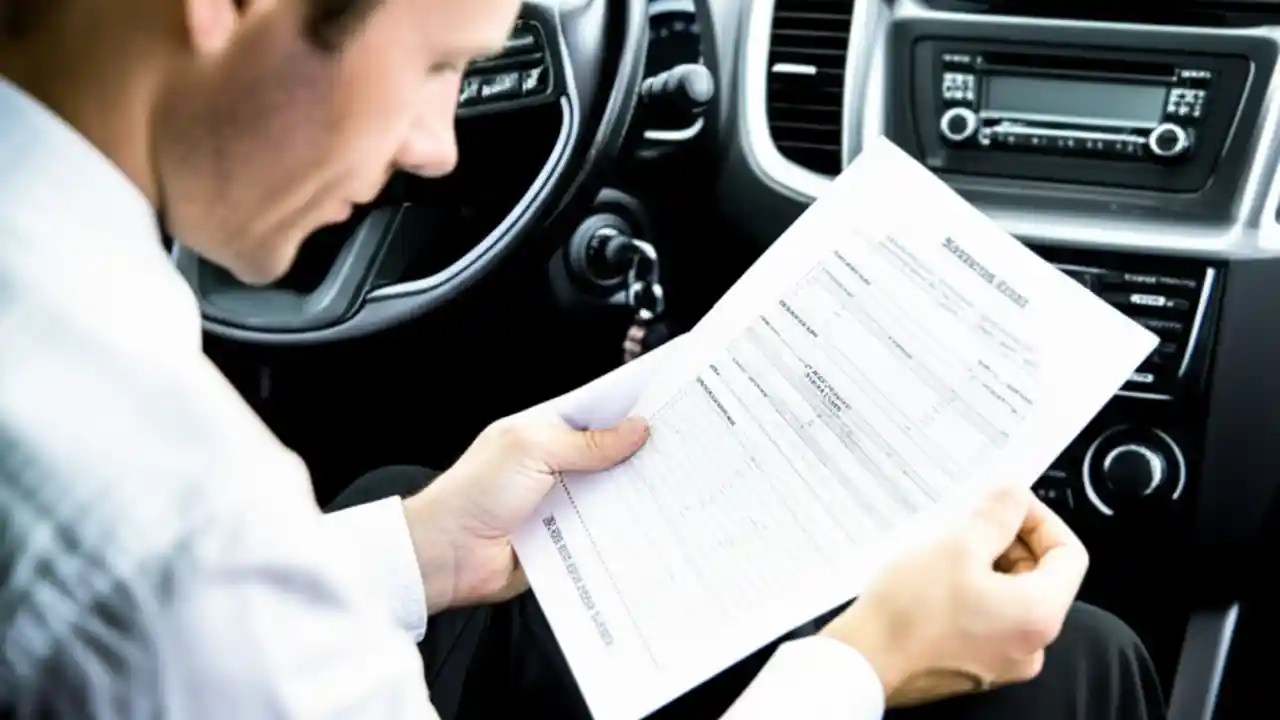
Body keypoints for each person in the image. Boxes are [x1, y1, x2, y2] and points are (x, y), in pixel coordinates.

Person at [0, 0, 1166, 718]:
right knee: (1081, 670)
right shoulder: (182, 528)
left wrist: (415, 553)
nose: (438, 150)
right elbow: (181, 597)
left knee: (397, 493)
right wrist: (868, 664)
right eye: (433, 66)